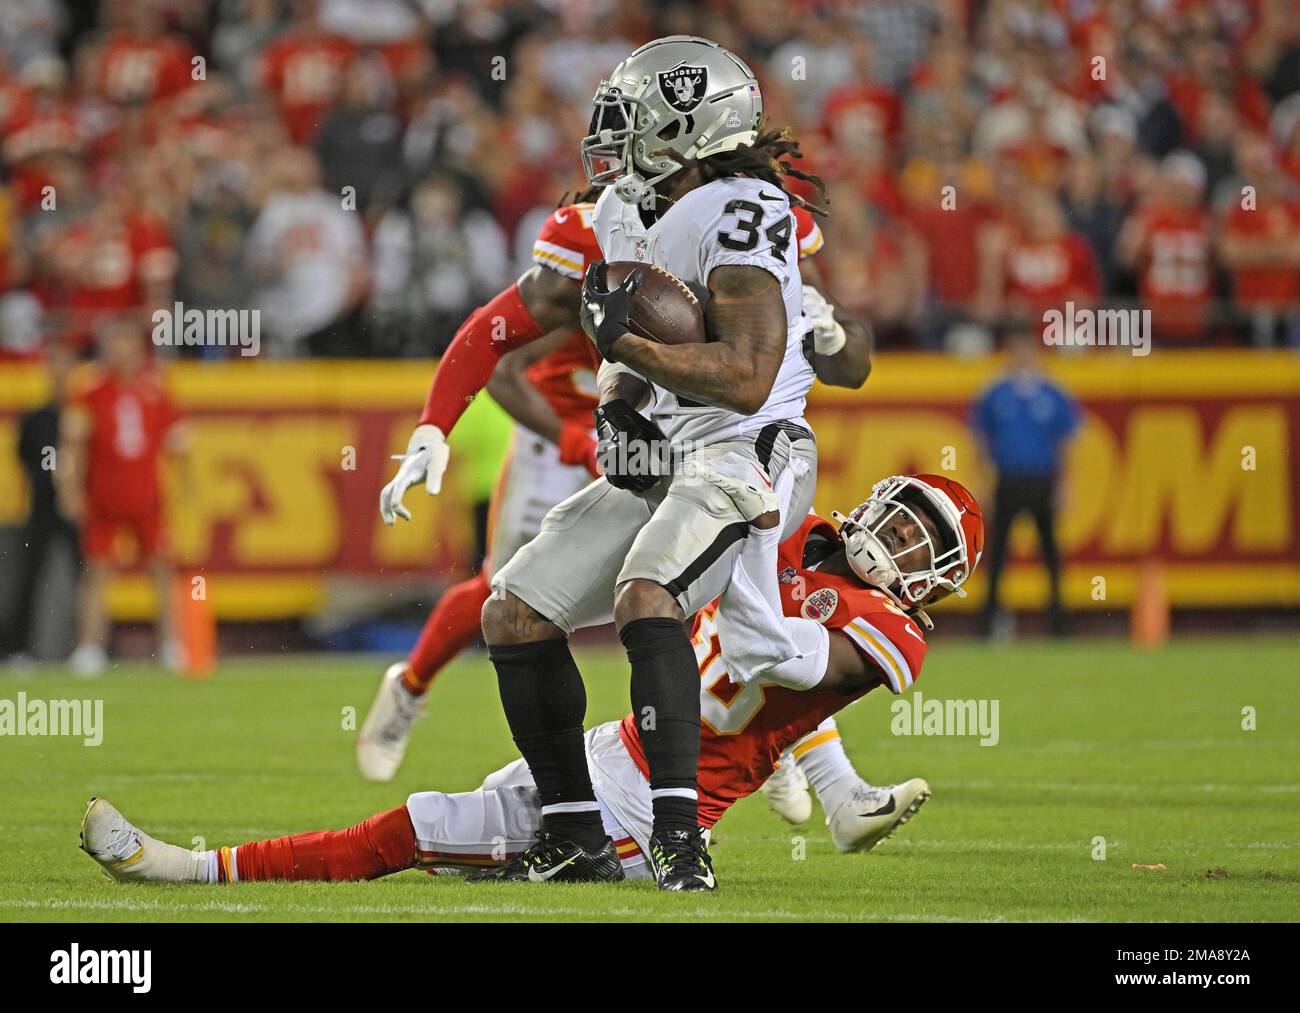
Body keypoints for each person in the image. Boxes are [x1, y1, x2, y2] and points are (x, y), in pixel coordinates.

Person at [377, 36, 860, 893]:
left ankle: (680, 840)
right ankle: (574, 834)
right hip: (662, 457)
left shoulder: (746, 206)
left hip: (749, 452)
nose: (611, 136)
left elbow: (747, 380)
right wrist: (433, 427)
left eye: (635, 119)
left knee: (651, 593)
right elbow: (502, 324)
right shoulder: (613, 212)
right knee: (513, 611)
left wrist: (627, 342)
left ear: (690, 127)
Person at [79, 472, 982, 886]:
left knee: (420, 827)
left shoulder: (894, 627)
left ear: (937, 578)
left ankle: (188, 869)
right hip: (618, 747)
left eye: (919, 544)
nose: (896, 540)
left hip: (649, 809)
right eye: (902, 519)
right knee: (464, 843)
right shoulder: (805, 533)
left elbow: (779, 655)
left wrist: (744, 539)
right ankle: (831, 792)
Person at [359, 187, 863, 783]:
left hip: (681, 432)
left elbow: (831, 356)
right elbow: (501, 356)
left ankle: (813, 772)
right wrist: (450, 427)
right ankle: (411, 686)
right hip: (568, 426)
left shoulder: (741, 226)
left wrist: (832, 340)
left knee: (707, 575)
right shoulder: (596, 234)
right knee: (505, 585)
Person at [57, 317, 187, 675]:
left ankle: (172, 644)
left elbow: (178, 441)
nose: (121, 350)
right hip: (104, 496)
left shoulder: (156, 387)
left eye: (127, 342)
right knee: (97, 572)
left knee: (161, 570)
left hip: (147, 496)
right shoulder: (91, 388)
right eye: (115, 342)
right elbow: (74, 442)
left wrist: (188, 485)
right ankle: (90, 646)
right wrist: (68, 486)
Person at [970, 328, 1079, 639]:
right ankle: (989, 622)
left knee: (1051, 554)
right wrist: (982, 481)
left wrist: (1064, 486)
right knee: (997, 555)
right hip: (1008, 480)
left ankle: (1059, 623)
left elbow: (1065, 445)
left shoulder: (1052, 394)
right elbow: (981, 439)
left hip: (1042, 480)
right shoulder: (996, 393)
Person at [2, 341, 79, 665]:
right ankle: (18, 648)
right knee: (29, 575)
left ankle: (87, 646)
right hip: (42, 504)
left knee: (87, 575)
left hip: (77, 505)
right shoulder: (37, 418)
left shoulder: (80, 414)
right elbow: (23, 457)